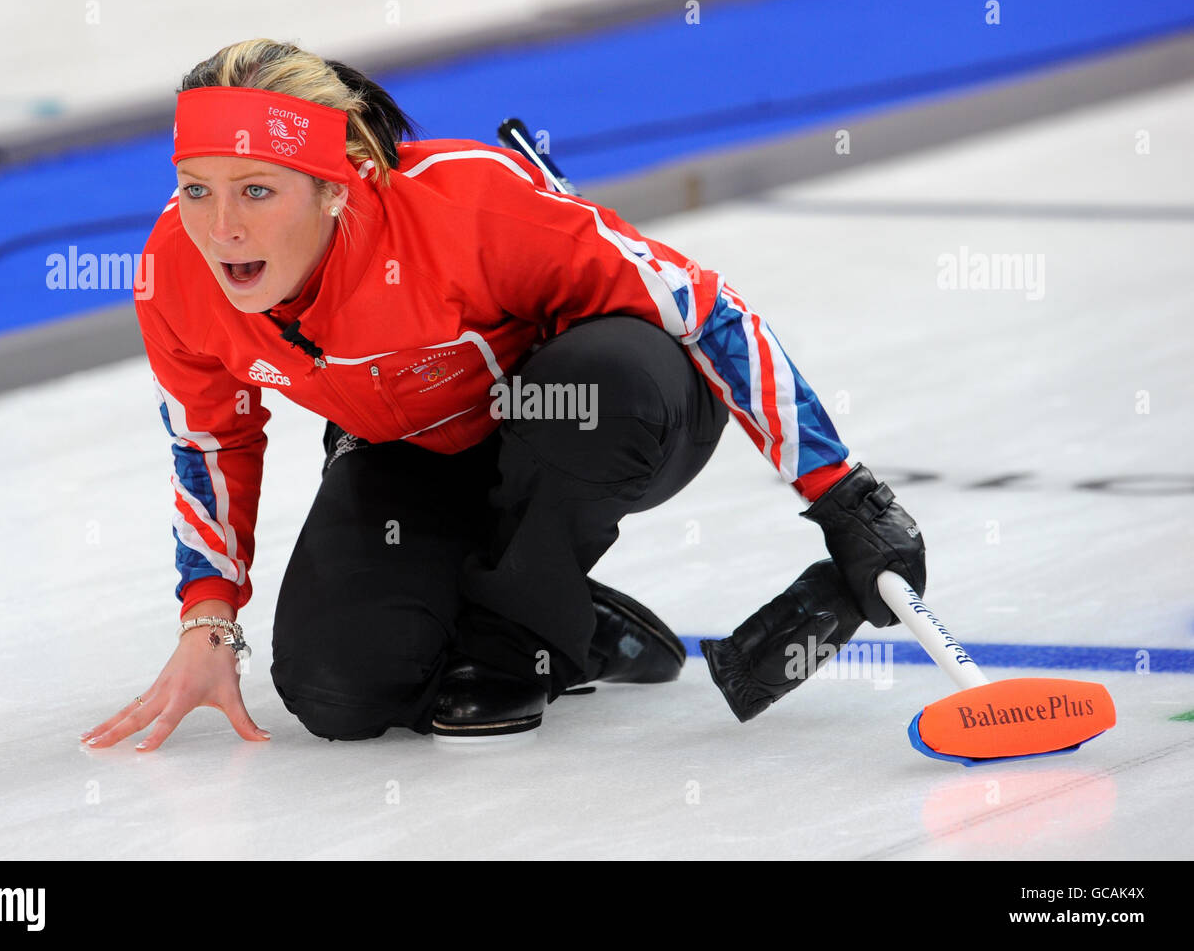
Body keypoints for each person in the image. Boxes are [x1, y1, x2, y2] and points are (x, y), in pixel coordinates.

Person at [80, 38, 925, 751]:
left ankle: (520, 629)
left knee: (599, 388)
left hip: (587, 408)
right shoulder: (174, 273)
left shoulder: (465, 203)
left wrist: (846, 496)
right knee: (339, 687)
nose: (220, 226)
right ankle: (571, 616)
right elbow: (210, 442)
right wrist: (208, 617)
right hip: (410, 444)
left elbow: (708, 310)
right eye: (197, 187)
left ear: (334, 186)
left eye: (256, 189)